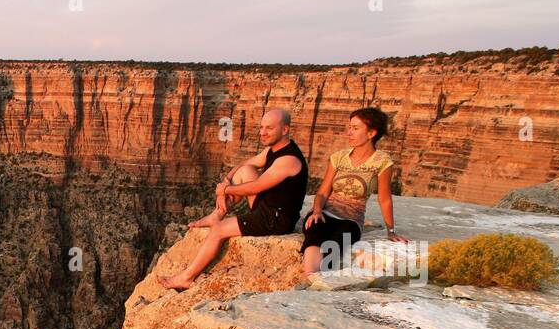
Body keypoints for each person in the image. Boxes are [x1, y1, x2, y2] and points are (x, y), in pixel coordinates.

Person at [158, 108, 307, 290]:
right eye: (261, 127)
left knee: (219, 230)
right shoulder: (272, 150)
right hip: (267, 206)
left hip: (275, 219)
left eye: (269, 128)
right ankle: (217, 213)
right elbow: (244, 164)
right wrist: (227, 181)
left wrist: (225, 189)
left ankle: (186, 278)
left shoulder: (289, 159)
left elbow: (256, 187)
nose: (262, 132)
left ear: (284, 130)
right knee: (245, 172)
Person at [302, 107, 406, 274]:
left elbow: (384, 199)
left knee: (338, 240)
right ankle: (310, 276)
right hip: (325, 213)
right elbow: (322, 192)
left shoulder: (382, 161)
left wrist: (391, 231)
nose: (349, 132)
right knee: (314, 232)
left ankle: (321, 278)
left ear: (371, 133)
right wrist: (316, 210)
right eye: (349, 127)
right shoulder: (339, 157)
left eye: (355, 128)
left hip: (351, 220)